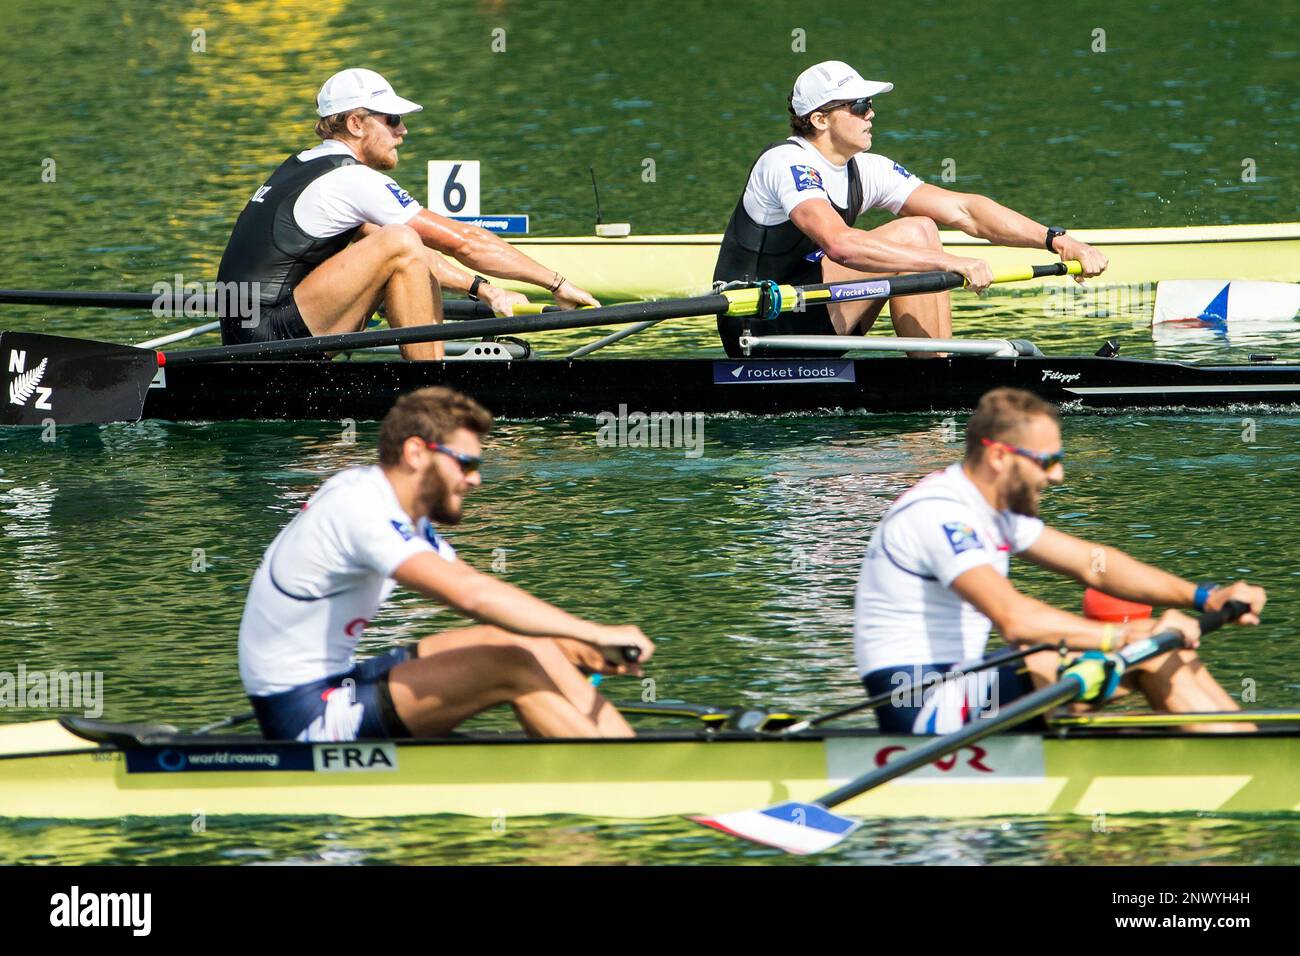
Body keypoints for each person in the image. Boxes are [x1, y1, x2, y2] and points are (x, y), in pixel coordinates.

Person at [238, 386, 654, 741]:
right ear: (417, 452)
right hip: (303, 715)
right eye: (466, 463)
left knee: (531, 645)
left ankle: (626, 752)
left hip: (337, 679)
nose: (475, 480)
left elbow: (475, 586)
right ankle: (635, 783)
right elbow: (469, 596)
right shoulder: (358, 507)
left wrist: (575, 644)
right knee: (511, 664)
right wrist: (595, 631)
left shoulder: (394, 508)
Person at [853, 387, 1265, 733]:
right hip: (919, 700)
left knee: (1168, 649)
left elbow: (1093, 563)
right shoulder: (940, 514)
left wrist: (1202, 596)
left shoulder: (992, 511)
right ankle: (1250, 772)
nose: (1057, 476)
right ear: (999, 456)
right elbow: (1017, 621)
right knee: (1152, 649)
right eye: (1047, 461)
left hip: (966, 680)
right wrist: (1126, 636)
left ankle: (1242, 748)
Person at [713, 60, 1110, 357]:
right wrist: (946, 262)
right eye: (859, 106)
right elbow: (841, 246)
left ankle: (937, 370)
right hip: (757, 327)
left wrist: (1057, 240)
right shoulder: (786, 163)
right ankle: (935, 374)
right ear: (819, 119)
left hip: (808, 315)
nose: (871, 114)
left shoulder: (866, 169)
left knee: (922, 225)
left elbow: (965, 211)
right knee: (915, 233)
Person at [216, 68, 599, 360]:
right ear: (355, 124)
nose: (403, 131)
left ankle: (424, 372)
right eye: (393, 120)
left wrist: (484, 289)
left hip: (248, 333)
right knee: (400, 239)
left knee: (389, 239)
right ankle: (429, 390)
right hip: (267, 342)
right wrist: (556, 284)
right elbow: (465, 241)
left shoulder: (302, 163)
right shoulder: (353, 179)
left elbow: (402, 252)